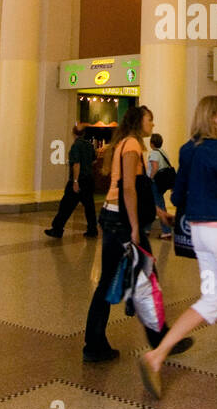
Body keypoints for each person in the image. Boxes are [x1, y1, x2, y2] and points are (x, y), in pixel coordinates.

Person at [141, 96, 217, 399]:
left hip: (199, 234)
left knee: (210, 300)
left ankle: (157, 355)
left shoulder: (187, 149)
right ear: (213, 116)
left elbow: (179, 193)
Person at [82, 105, 192, 363]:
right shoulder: (131, 146)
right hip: (121, 223)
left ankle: (94, 343)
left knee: (112, 281)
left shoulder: (126, 144)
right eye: (149, 120)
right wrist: (134, 227)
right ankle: (159, 339)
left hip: (113, 218)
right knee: (146, 278)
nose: (152, 124)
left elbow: (136, 190)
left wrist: (157, 212)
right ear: (138, 121)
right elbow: (129, 189)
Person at [46, 124, 97, 238]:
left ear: (73, 134)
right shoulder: (89, 145)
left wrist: (75, 181)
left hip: (78, 180)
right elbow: (94, 161)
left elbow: (76, 164)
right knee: (89, 206)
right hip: (88, 179)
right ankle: (92, 229)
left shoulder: (76, 146)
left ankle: (57, 228)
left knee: (66, 205)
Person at [147, 133, 174, 240]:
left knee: (158, 205)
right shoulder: (163, 152)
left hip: (155, 182)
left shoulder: (154, 153)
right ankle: (146, 228)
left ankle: (166, 231)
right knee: (153, 204)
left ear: (152, 143)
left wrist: (150, 179)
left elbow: (154, 167)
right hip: (162, 183)